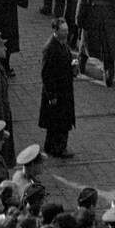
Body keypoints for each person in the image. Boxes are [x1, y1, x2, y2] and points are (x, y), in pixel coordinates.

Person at [38, 19, 76, 158]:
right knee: (59, 121)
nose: (66, 33)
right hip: (56, 91)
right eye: (63, 31)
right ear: (55, 31)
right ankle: (59, 148)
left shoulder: (62, 44)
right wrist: (51, 95)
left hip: (64, 89)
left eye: (66, 30)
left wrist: (72, 66)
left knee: (56, 121)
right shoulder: (50, 48)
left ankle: (50, 146)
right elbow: (46, 74)